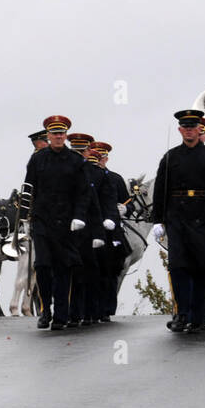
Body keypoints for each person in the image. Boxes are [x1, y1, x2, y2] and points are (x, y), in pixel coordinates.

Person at [150, 109, 205, 334]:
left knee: (202, 269)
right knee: (178, 268)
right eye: (185, 127)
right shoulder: (170, 157)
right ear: (180, 130)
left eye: (192, 127)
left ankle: (198, 316)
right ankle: (181, 314)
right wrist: (158, 219)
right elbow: (160, 191)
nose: (189, 130)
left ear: (200, 129)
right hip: (177, 218)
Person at [24, 115, 91, 331]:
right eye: (55, 134)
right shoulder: (37, 159)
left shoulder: (76, 160)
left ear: (66, 135)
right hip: (42, 220)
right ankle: (46, 310)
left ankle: (61, 315)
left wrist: (79, 216)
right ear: (49, 136)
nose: (59, 137)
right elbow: (28, 188)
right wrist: (25, 216)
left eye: (62, 134)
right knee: (42, 266)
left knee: (63, 269)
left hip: (66, 222)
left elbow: (83, 192)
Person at [66, 132, 117, 326]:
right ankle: (71, 312)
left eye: (82, 151)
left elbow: (106, 201)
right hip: (69, 227)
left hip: (94, 227)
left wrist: (109, 223)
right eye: (76, 151)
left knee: (98, 270)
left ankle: (93, 310)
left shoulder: (103, 175)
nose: (80, 154)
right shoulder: (69, 171)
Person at [95, 142, 130, 321]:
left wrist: (125, 209)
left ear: (106, 158)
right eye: (97, 156)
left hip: (113, 231)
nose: (100, 160)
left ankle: (108, 308)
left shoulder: (115, 179)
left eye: (102, 157)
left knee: (112, 269)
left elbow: (127, 202)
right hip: (93, 229)